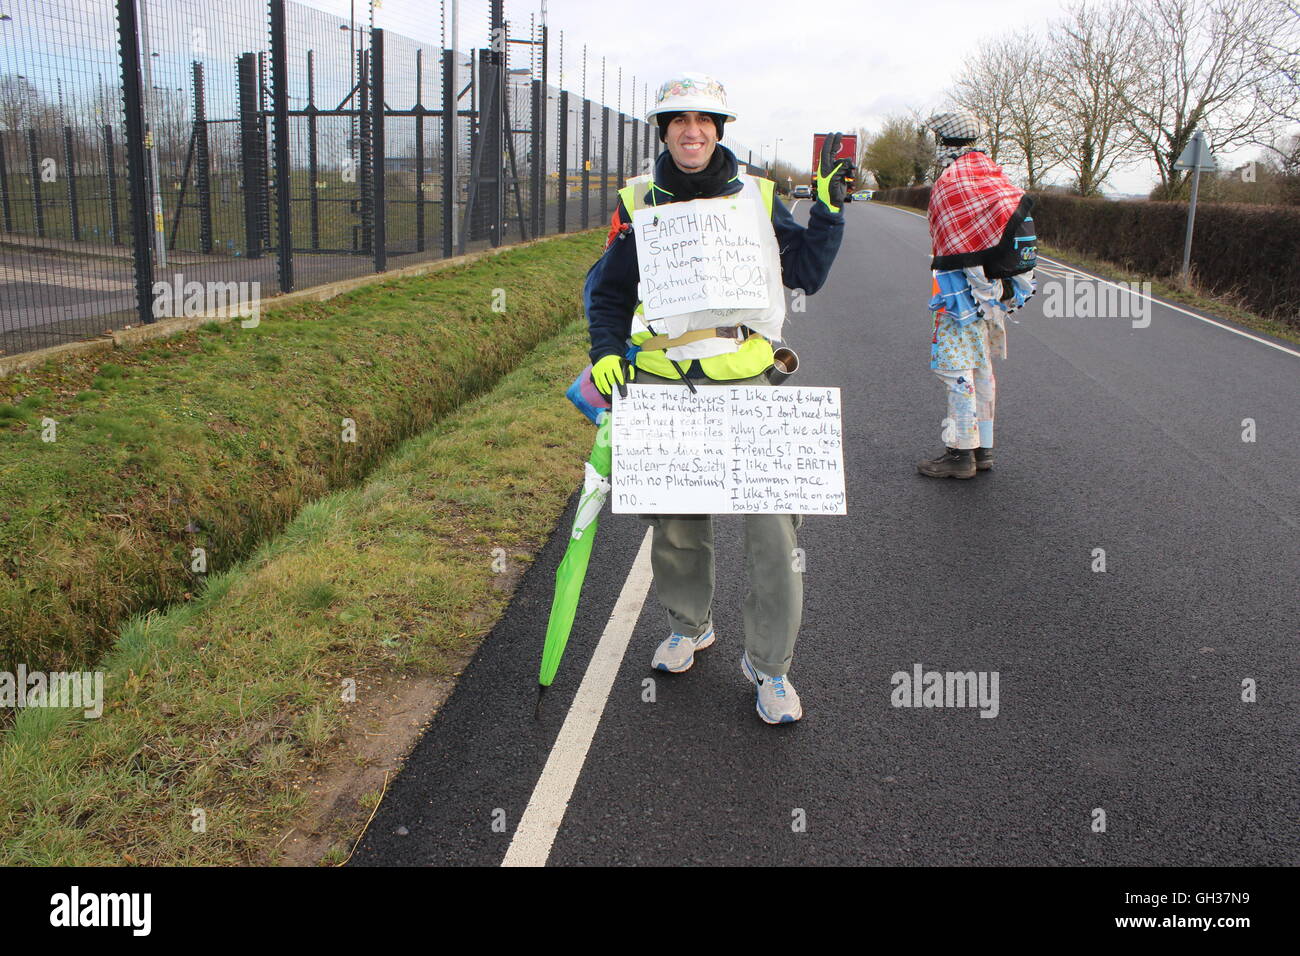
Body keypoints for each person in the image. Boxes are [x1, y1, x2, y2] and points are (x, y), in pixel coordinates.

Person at [583, 72, 848, 723]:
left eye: (703, 120)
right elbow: (609, 291)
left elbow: (806, 272)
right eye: (678, 121)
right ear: (665, 131)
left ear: (719, 129)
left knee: (774, 534)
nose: (691, 131)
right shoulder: (639, 199)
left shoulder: (757, 196)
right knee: (675, 524)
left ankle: (769, 666)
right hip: (666, 384)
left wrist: (829, 215)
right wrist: (607, 351)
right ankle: (689, 625)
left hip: (746, 383)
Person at [918, 111, 1036, 479]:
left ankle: (959, 454)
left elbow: (954, 244)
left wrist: (975, 288)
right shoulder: (993, 174)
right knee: (982, 370)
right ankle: (983, 448)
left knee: (957, 373)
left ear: (944, 142)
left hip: (961, 296)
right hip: (995, 295)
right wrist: (995, 294)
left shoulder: (954, 180)